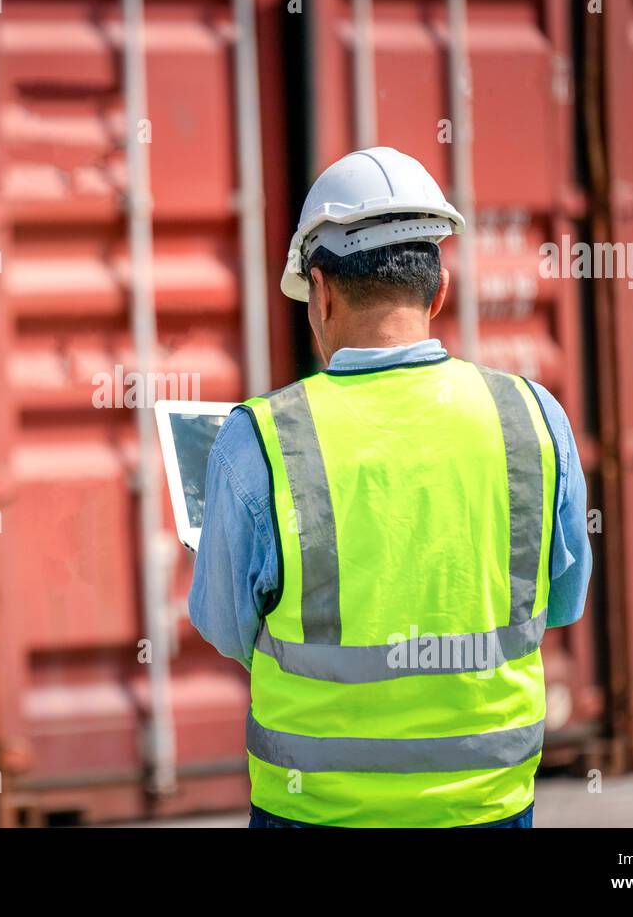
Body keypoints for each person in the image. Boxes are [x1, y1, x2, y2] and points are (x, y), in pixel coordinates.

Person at [187, 147, 591, 828]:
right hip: (488, 806)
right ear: (438, 292)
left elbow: (226, 628)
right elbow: (560, 603)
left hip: (315, 810)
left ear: (322, 291)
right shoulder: (534, 417)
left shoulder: (260, 440)